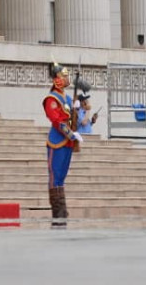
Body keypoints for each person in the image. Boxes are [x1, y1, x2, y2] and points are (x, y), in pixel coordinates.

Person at [44, 61, 80, 225]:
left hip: (67, 143)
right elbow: (57, 120)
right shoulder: (51, 99)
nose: (66, 79)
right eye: (64, 76)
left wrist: (76, 110)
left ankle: (62, 211)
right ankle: (57, 211)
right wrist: (71, 134)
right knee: (55, 176)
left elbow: (70, 118)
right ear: (56, 79)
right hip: (58, 141)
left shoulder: (66, 97)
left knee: (62, 177)